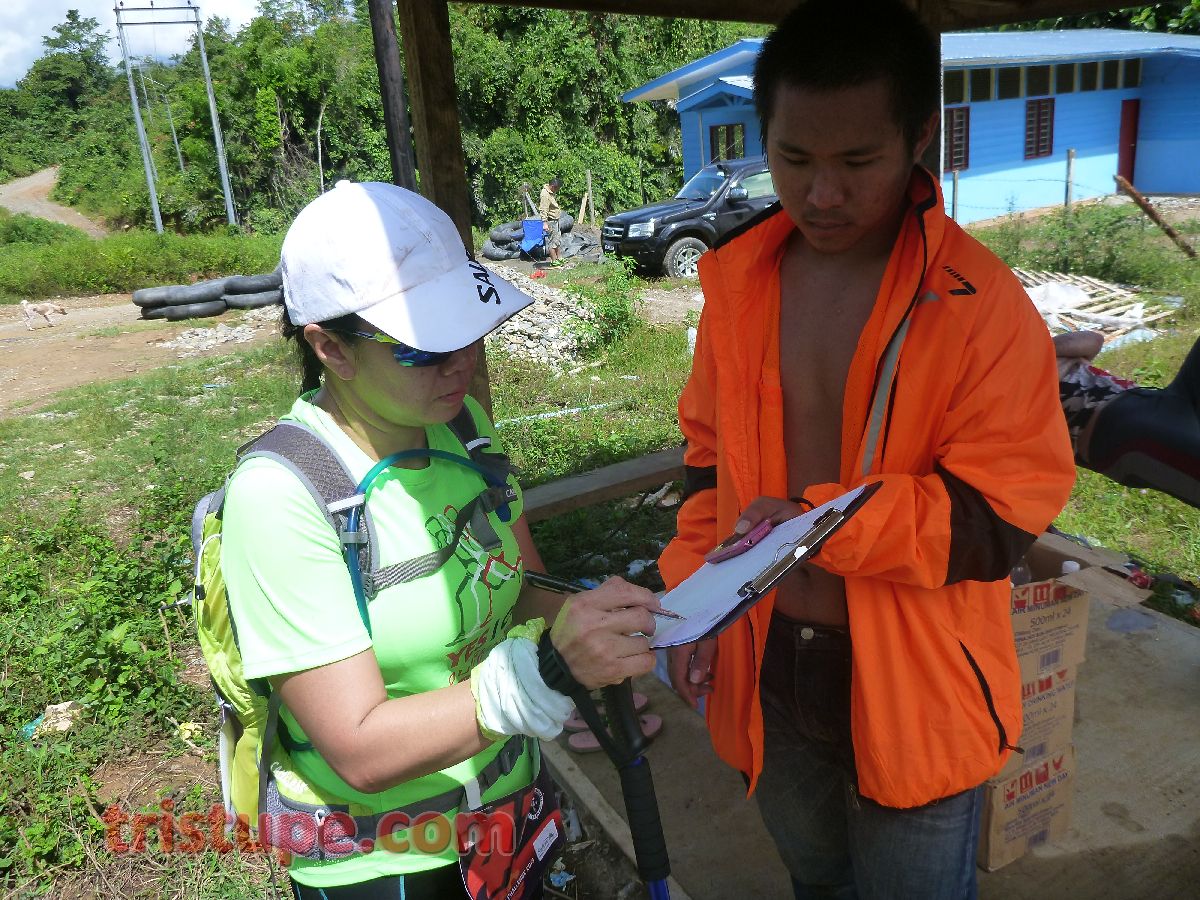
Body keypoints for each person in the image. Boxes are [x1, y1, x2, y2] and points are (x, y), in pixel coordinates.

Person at [657, 1, 1076, 896]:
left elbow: (1000, 516)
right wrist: (693, 596)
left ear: (920, 137)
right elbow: (706, 465)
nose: (822, 194)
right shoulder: (737, 286)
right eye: (794, 159)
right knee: (816, 883)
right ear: (761, 133)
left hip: (917, 682)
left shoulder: (980, 305)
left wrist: (818, 530)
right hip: (767, 662)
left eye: (858, 161)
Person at [221, 181, 659, 898]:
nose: (460, 363)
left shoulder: (463, 432)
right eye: (423, 350)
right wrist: (548, 673)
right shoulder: (282, 497)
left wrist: (610, 628)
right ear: (330, 347)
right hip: (389, 862)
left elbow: (526, 590)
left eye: (468, 331)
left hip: (506, 820)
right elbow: (359, 748)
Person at [1056, 329, 1200, 507]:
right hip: (1118, 431)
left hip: (1156, 401)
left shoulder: (1036, 352)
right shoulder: (1015, 378)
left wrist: (1039, 350)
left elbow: (1094, 339)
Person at [539, 177, 564, 266]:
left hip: (555, 220)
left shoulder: (550, 193)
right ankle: (554, 261)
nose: (557, 191)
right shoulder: (545, 195)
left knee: (557, 240)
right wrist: (544, 223)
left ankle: (559, 258)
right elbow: (543, 209)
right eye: (557, 188)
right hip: (550, 221)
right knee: (552, 242)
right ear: (553, 186)